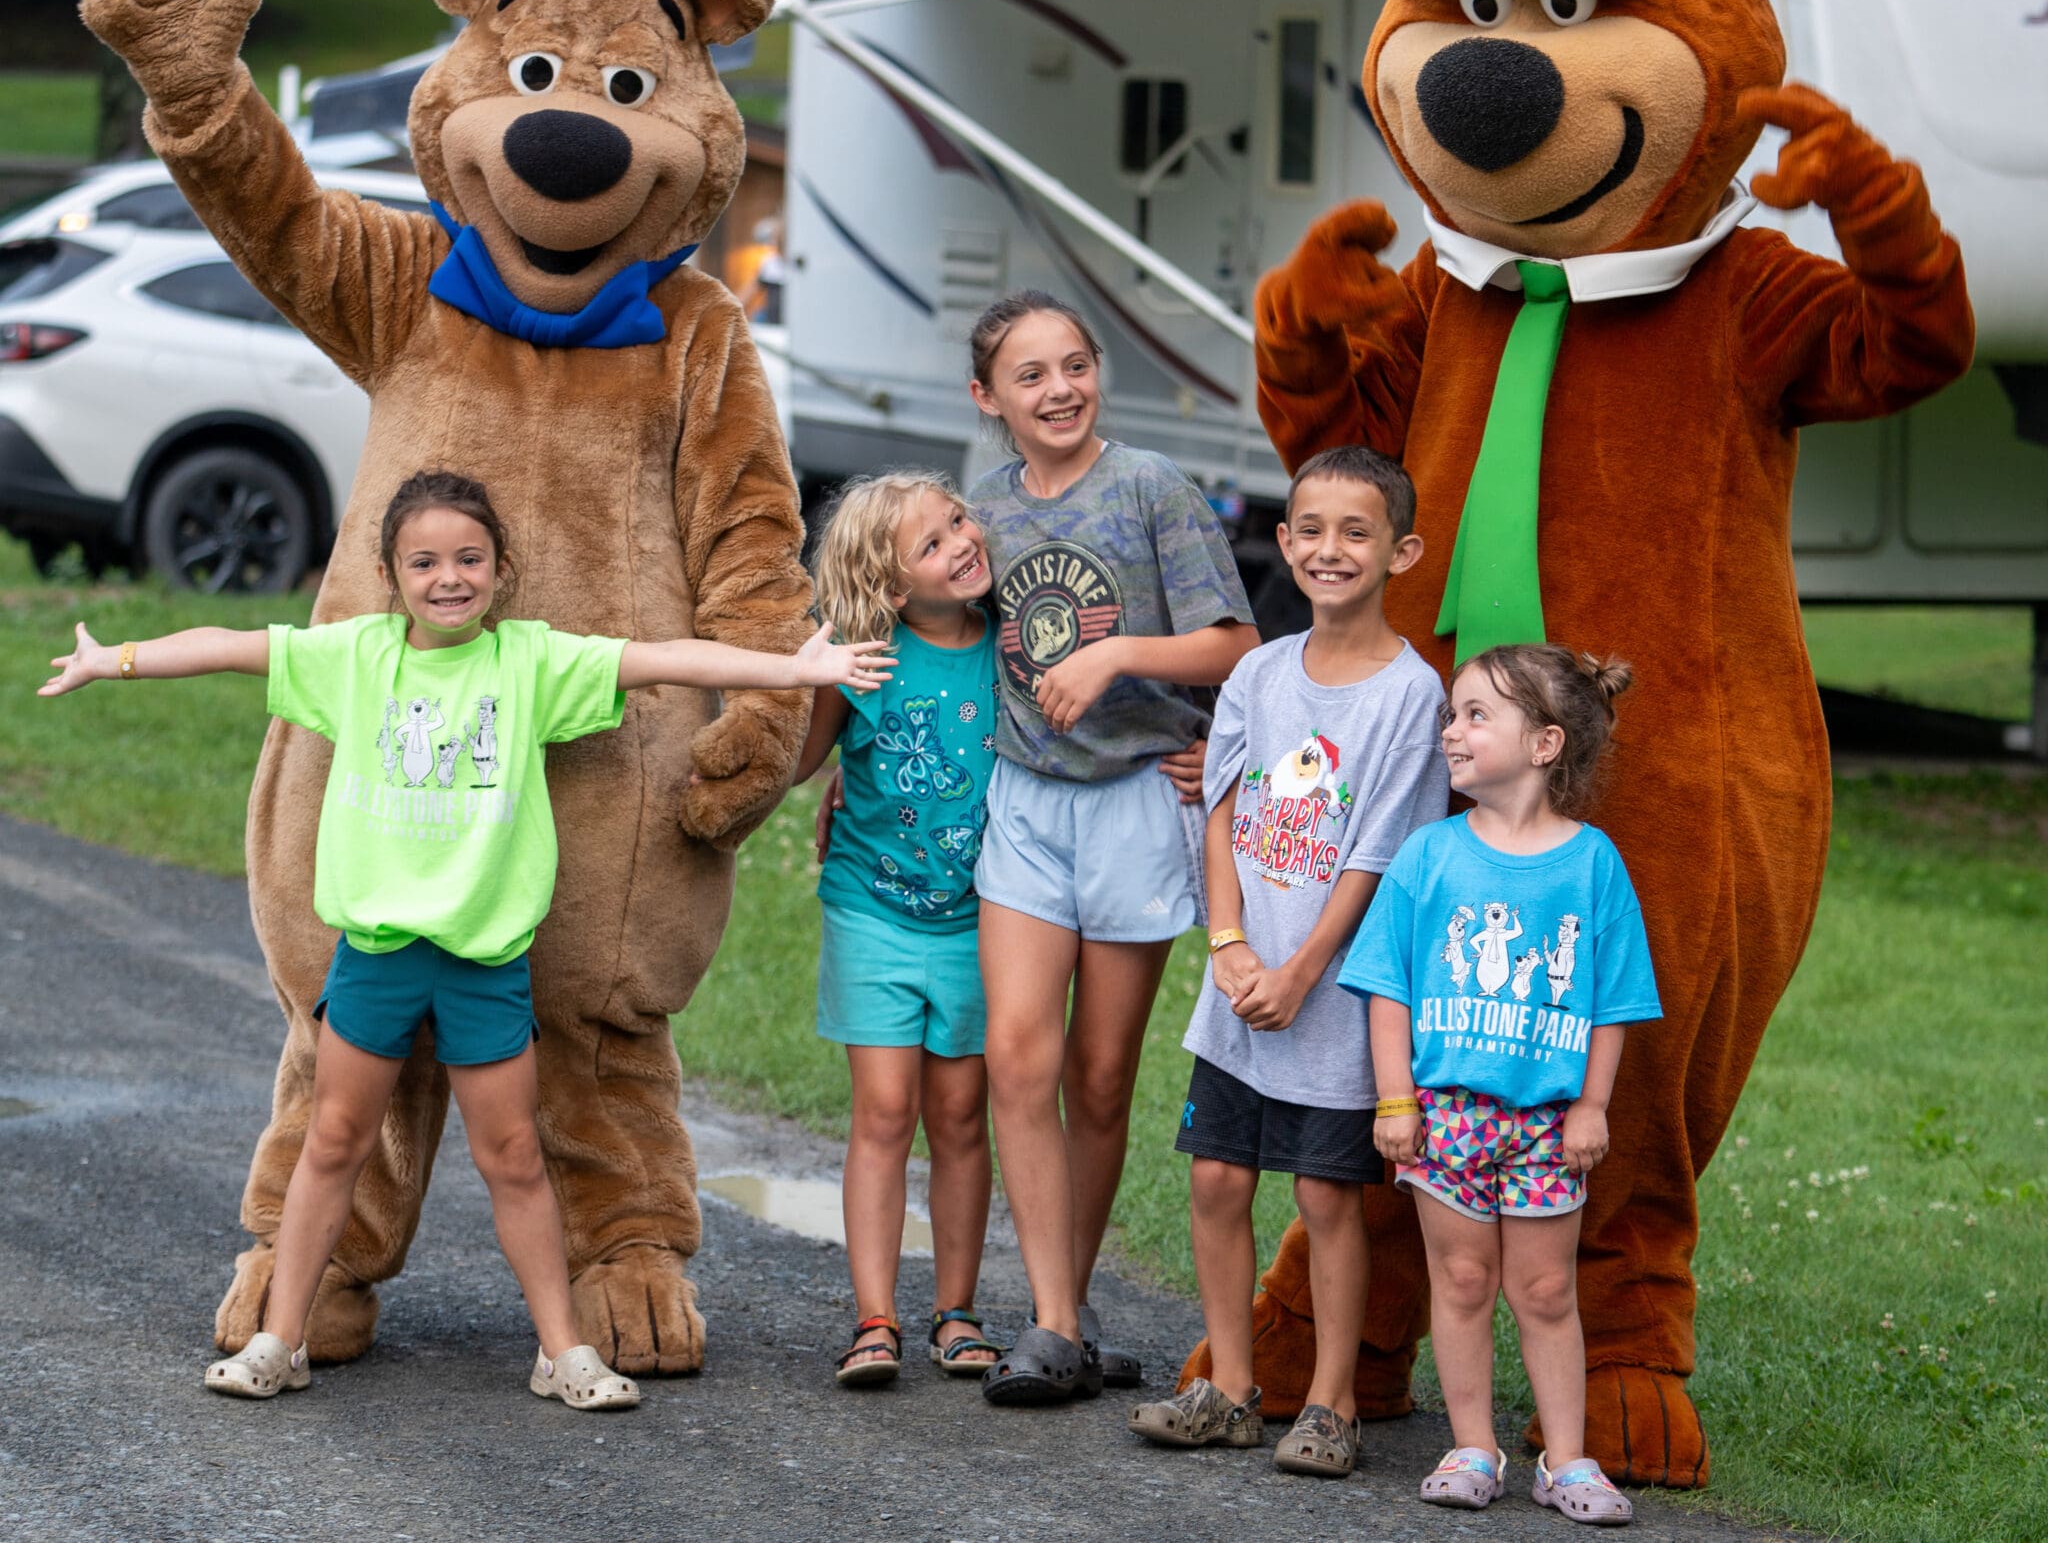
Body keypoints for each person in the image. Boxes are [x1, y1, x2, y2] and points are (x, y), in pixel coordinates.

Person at [39, 469, 891, 1410]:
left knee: (514, 1157)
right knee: (333, 1142)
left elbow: (662, 658)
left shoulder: (529, 662)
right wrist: (113, 658)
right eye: (425, 562)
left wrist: (796, 672)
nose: (449, 577)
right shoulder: (355, 656)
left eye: (468, 559)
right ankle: (280, 1340)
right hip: (378, 956)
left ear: (500, 568)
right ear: (390, 575)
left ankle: (562, 1353)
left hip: (485, 963)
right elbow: (230, 646)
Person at [964, 290, 1261, 1404]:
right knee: (1017, 1055)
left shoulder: (1150, 487)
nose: (1060, 389)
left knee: (1098, 1076)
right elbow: (932, 631)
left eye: (1075, 364)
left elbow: (1235, 644)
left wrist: (1117, 655)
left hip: (1138, 797)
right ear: (987, 397)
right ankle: (1049, 1319)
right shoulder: (982, 511)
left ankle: (1071, 1308)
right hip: (1027, 800)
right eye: (1031, 375)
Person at [1129, 445, 1447, 1477]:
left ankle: (1330, 1403)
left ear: (1401, 551)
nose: (1329, 549)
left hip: (1333, 997)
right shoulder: (1258, 673)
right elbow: (1223, 809)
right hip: (1241, 986)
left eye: (1355, 531)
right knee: (1218, 1176)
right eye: (1309, 529)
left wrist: (1302, 971)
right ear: (1282, 540)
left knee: (1325, 1196)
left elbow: (1376, 855)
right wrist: (1227, 944)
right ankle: (1229, 1388)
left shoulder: (1410, 694)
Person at [1341, 644, 1658, 1524]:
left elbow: (1615, 999)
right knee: (1462, 1278)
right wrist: (1396, 1099)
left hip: (1550, 1122)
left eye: (1476, 714)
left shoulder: (1592, 863)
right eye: (1452, 712)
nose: (1452, 729)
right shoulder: (1427, 855)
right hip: (1446, 1116)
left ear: (1546, 743)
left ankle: (1568, 1460)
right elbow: (1388, 986)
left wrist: (1592, 1104)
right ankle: (1472, 1446)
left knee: (1547, 1290)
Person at [791, 472, 1003, 1388]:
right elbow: (797, 760)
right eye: (932, 543)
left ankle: (956, 1310)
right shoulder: (865, 659)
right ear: (887, 584)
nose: (961, 542)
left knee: (959, 1115)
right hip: (872, 909)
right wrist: (803, 671)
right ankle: (875, 1317)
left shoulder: (1012, 645)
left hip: (979, 922)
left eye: (957, 520)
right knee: (884, 1111)